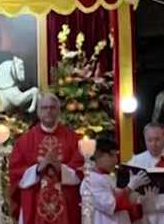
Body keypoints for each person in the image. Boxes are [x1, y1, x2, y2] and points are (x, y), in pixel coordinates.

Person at [8, 93, 85, 224]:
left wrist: (60, 168)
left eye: (52, 107)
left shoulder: (73, 139)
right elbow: (15, 174)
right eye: (44, 108)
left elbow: (81, 170)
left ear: (59, 111)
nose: (48, 111)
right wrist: (38, 169)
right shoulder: (25, 141)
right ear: (38, 112)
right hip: (34, 201)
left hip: (66, 204)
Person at [124, 124, 164, 224]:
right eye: (149, 140)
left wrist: (157, 204)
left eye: (157, 139)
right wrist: (141, 199)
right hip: (143, 218)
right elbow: (129, 194)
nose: (153, 144)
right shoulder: (135, 161)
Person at [84, 139, 150, 224]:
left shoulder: (107, 177)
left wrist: (142, 200)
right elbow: (112, 206)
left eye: (116, 155)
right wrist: (130, 187)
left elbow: (125, 206)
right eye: (112, 155)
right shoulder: (91, 180)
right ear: (98, 154)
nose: (115, 160)